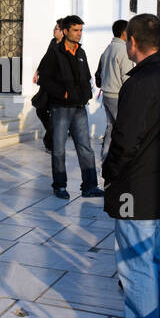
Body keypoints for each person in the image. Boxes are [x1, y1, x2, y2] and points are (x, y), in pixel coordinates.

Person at [100, 14, 160, 318]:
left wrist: (109, 171)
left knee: (136, 264)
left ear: (132, 43)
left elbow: (125, 139)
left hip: (136, 188)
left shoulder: (140, 82)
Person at [36, 15, 104, 200]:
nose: (79, 34)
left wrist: (86, 95)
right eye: (75, 30)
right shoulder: (55, 52)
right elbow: (44, 79)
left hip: (79, 107)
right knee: (58, 149)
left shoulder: (81, 53)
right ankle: (59, 186)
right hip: (60, 108)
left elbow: (87, 77)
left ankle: (89, 186)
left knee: (85, 147)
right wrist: (63, 93)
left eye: (81, 30)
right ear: (65, 31)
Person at [95, 19, 133, 157]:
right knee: (123, 130)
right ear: (124, 33)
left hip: (106, 94)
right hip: (118, 95)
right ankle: (119, 160)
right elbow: (127, 78)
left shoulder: (108, 48)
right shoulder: (124, 50)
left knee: (111, 127)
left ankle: (106, 157)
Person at [31, 22, 63, 152]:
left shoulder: (64, 46)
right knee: (40, 109)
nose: (53, 31)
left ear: (63, 31)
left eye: (56, 29)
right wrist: (37, 71)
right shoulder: (53, 42)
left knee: (54, 113)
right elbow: (46, 58)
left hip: (55, 85)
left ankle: (49, 141)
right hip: (45, 82)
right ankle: (51, 136)